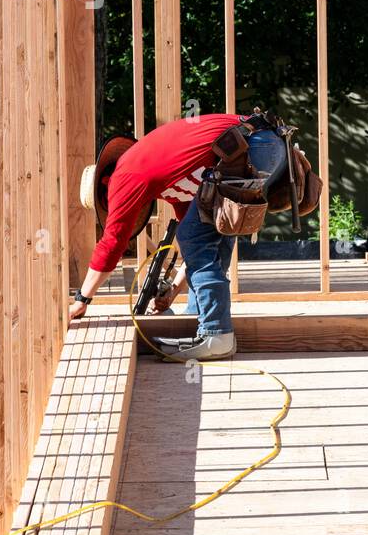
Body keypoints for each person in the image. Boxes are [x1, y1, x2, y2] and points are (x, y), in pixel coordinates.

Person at [68, 113, 302, 361]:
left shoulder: (123, 177)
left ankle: (216, 333)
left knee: (195, 237)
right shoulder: (168, 173)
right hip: (269, 142)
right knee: (210, 233)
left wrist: (82, 300)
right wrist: (172, 291)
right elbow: (197, 245)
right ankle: (199, 319)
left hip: (249, 145)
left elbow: (112, 243)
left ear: (104, 190)